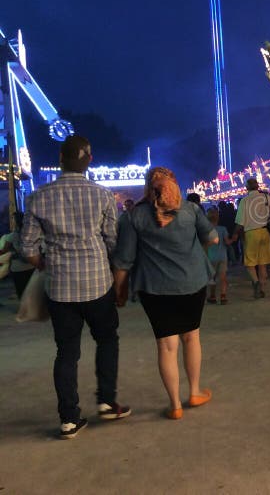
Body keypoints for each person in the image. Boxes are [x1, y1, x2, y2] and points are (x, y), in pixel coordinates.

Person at [21, 135, 131, 439]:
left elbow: (27, 248)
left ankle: (69, 419)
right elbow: (112, 242)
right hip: (97, 284)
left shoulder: (39, 197)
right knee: (107, 340)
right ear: (89, 160)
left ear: (60, 158)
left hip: (59, 290)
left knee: (66, 353)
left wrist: (45, 263)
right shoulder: (103, 195)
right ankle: (107, 403)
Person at [113, 167, 217, 420]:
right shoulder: (190, 211)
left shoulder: (133, 217)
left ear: (149, 188)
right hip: (192, 283)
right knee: (191, 338)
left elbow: (124, 261)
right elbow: (213, 239)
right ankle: (193, 392)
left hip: (155, 289)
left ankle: (174, 405)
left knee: (167, 345)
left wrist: (120, 292)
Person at [234, 178, 270, 298]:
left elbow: (240, 222)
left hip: (251, 234)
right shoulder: (266, 197)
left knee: (250, 263)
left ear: (246, 188)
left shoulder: (244, 201)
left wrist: (234, 234)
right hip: (265, 232)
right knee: (262, 264)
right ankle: (262, 289)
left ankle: (256, 281)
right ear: (258, 186)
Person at [0, 211, 36, 297]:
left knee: (22, 292)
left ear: (15, 221)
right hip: (31, 266)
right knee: (32, 293)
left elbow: (3, 251)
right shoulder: (30, 234)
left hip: (18, 269)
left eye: (12, 219)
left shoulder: (11, 236)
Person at [205, 206, 233, 304]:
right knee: (223, 277)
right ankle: (223, 296)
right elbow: (227, 242)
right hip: (222, 256)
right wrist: (234, 239)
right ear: (218, 218)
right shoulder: (223, 229)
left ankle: (212, 296)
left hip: (210, 257)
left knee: (212, 278)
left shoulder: (205, 230)